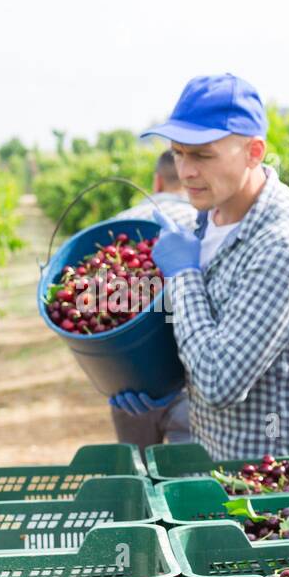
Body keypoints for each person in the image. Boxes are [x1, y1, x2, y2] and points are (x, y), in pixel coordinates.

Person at [110, 73, 289, 460]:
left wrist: (183, 275)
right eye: (179, 153)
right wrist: (157, 380)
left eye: (202, 155)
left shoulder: (284, 244)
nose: (185, 172)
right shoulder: (208, 218)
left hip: (272, 487)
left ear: (254, 152)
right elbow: (208, 336)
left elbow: (218, 380)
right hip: (215, 465)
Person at [107, 149, 197, 448]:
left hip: (129, 382)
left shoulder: (119, 225)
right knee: (186, 477)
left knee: (140, 473)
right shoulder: (203, 224)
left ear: (156, 181)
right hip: (191, 380)